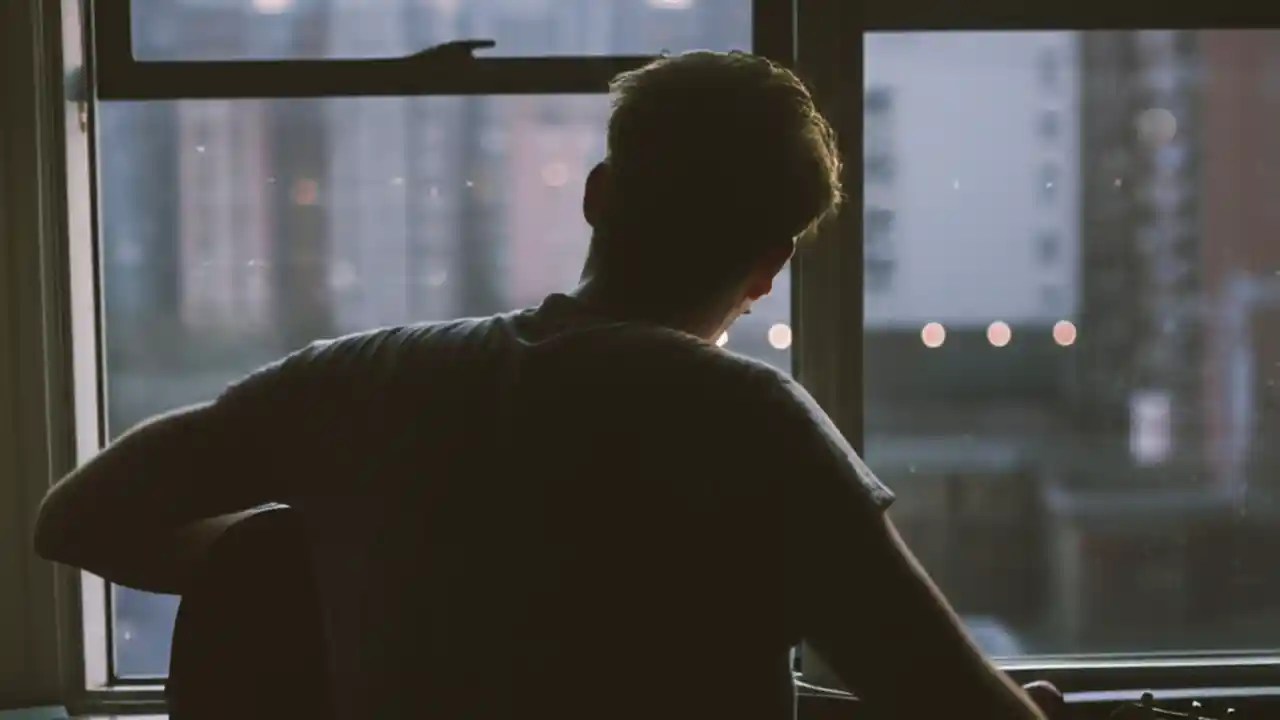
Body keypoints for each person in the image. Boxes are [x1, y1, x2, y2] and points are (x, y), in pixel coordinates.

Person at [34, 51, 1056, 719]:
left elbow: (78, 520)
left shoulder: (358, 381)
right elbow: (938, 698)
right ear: (768, 266)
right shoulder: (747, 422)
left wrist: (339, 554)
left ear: (598, 198)